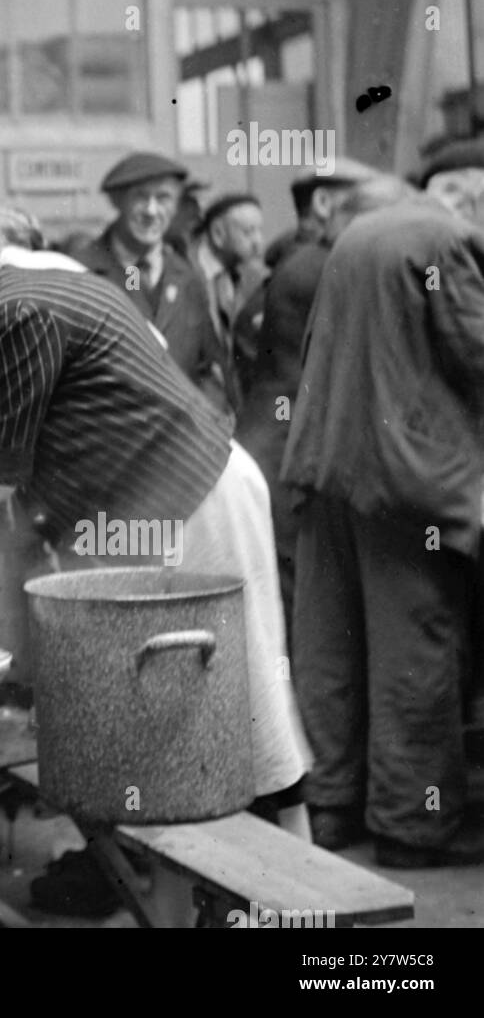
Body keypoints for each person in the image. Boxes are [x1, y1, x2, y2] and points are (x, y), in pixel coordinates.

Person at [0, 190, 310, 906]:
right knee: (178, 737)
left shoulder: (17, 310)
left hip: (200, 497)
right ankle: (185, 915)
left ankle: (316, 919)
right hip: (160, 507)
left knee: (247, 710)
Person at [281, 138, 484, 866]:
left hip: (326, 466)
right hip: (405, 486)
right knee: (413, 653)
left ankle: (334, 807)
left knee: (333, 645)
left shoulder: (362, 233)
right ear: (468, 189)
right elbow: (476, 350)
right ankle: (410, 826)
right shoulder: (446, 237)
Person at [236, 174, 411, 637]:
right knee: (303, 621)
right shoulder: (331, 267)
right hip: (289, 454)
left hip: (274, 446)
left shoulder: (307, 262)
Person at [69, 152, 226, 411]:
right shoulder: (81, 272)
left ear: (175, 207)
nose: (152, 211)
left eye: (163, 198)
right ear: (118, 202)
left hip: (179, 439)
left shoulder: (187, 278)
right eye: (140, 197)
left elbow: (207, 367)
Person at [194, 192, 268, 416]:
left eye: (259, 230)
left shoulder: (251, 276)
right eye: (248, 232)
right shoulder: (187, 274)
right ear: (218, 234)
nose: (258, 241)